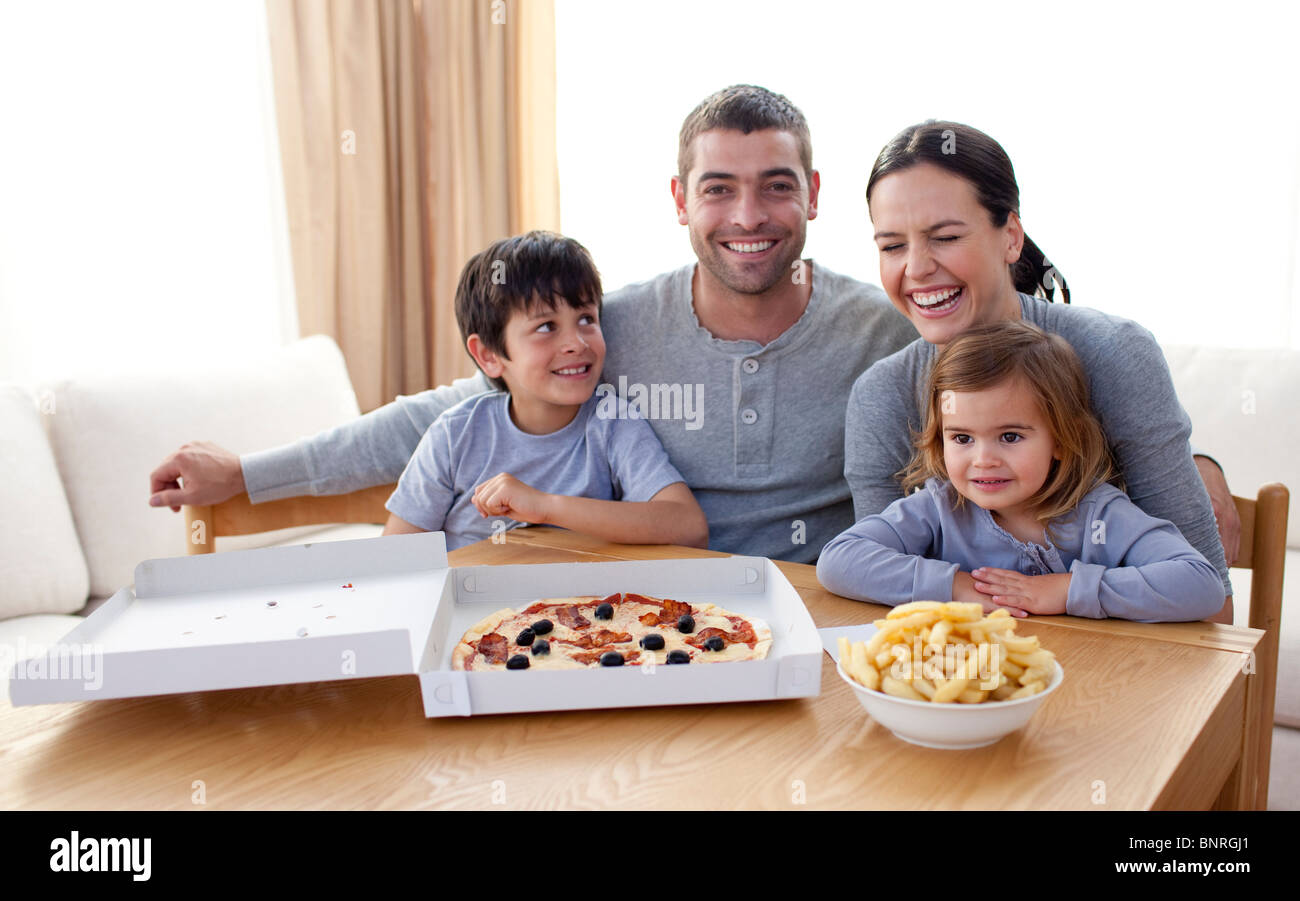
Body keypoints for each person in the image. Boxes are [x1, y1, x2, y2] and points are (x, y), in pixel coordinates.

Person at [148, 85, 917, 563]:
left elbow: (1008, 362)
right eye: (718, 189)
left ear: (813, 194)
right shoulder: (607, 330)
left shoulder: (887, 331)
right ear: (680, 202)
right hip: (636, 618)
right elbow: (438, 418)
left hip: (813, 610)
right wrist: (248, 473)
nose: (747, 216)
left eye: (775, 187)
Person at [842, 120, 1236, 622]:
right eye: (892, 245)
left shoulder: (1113, 353)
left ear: (1010, 237)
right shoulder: (883, 393)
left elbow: (1211, 601)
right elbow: (878, 586)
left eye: (944, 237)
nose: (916, 268)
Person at [819, 321, 1225, 623]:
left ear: (1063, 440)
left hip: (1086, 689)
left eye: (1010, 436)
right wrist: (955, 587)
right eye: (961, 438)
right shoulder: (938, 508)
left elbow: (1200, 586)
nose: (983, 459)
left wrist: (1065, 591)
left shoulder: (1100, 516)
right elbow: (839, 561)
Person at [381, 231, 707, 549]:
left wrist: (546, 506)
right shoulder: (455, 435)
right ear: (489, 356)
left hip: (577, 602)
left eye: (585, 319)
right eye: (546, 326)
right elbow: (394, 559)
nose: (576, 343)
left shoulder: (613, 423)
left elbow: (688, 527)